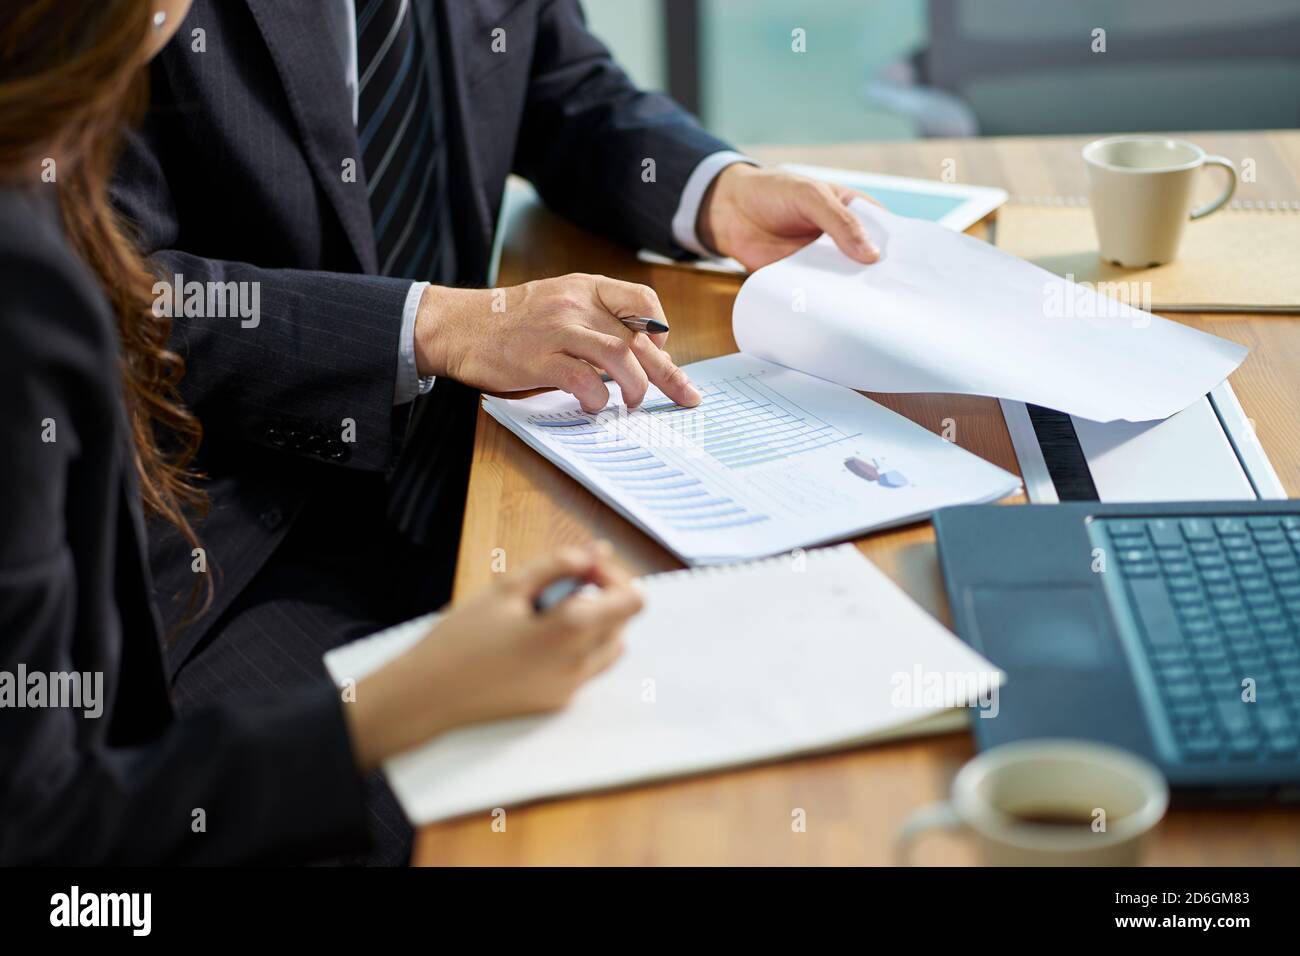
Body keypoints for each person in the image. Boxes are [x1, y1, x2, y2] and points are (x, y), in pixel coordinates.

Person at [0, 0, 640, 866]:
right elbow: (48, 831)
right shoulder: (32, 283)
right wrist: (402, 700)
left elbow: (563, 84)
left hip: (452, 482)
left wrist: (715, 185)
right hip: (227, 550)